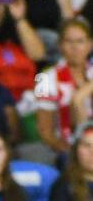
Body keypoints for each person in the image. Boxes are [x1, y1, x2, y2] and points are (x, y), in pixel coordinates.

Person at [35, 18, 93, 157]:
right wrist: (69, 153)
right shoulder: (44, 78)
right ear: (60, 45)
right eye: (69, 41)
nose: (75, 47)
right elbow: (45, 131)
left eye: (80, 41)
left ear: (90, 45)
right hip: (68, 149)